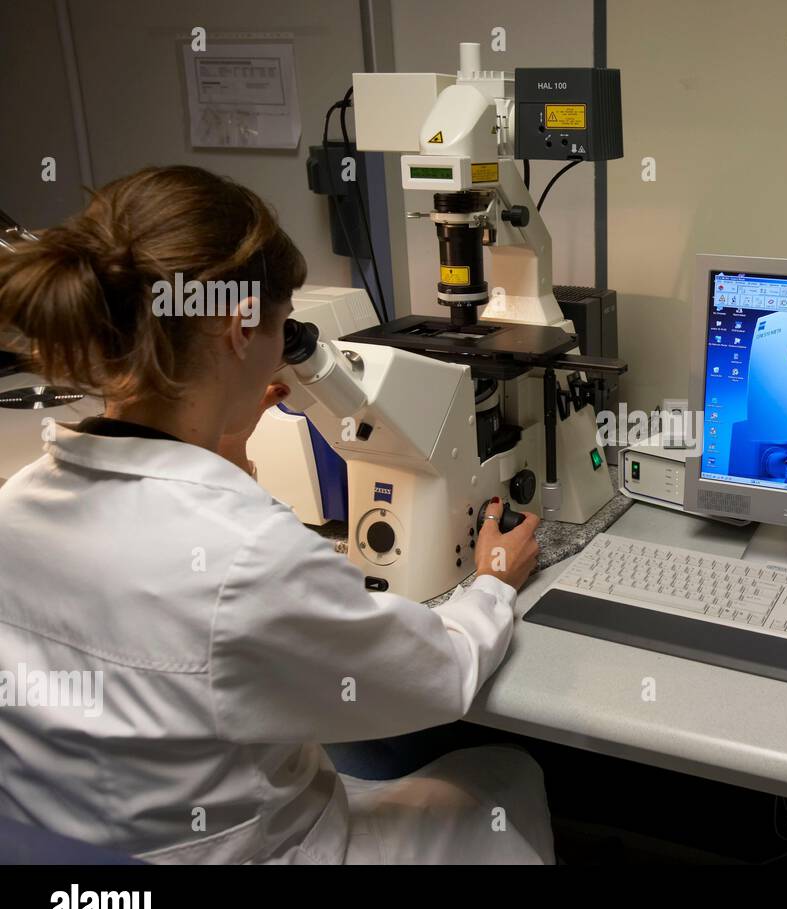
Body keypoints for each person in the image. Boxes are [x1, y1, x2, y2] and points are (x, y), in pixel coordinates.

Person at [0, 165, 553, 864]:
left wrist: (225, 454)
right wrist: (494, 585)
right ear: (240, 327)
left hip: (96, 877)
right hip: (259, 853)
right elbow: (437, 677)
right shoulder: (248, 555)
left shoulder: (18, 503)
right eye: (282, 326)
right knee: (504, 776)